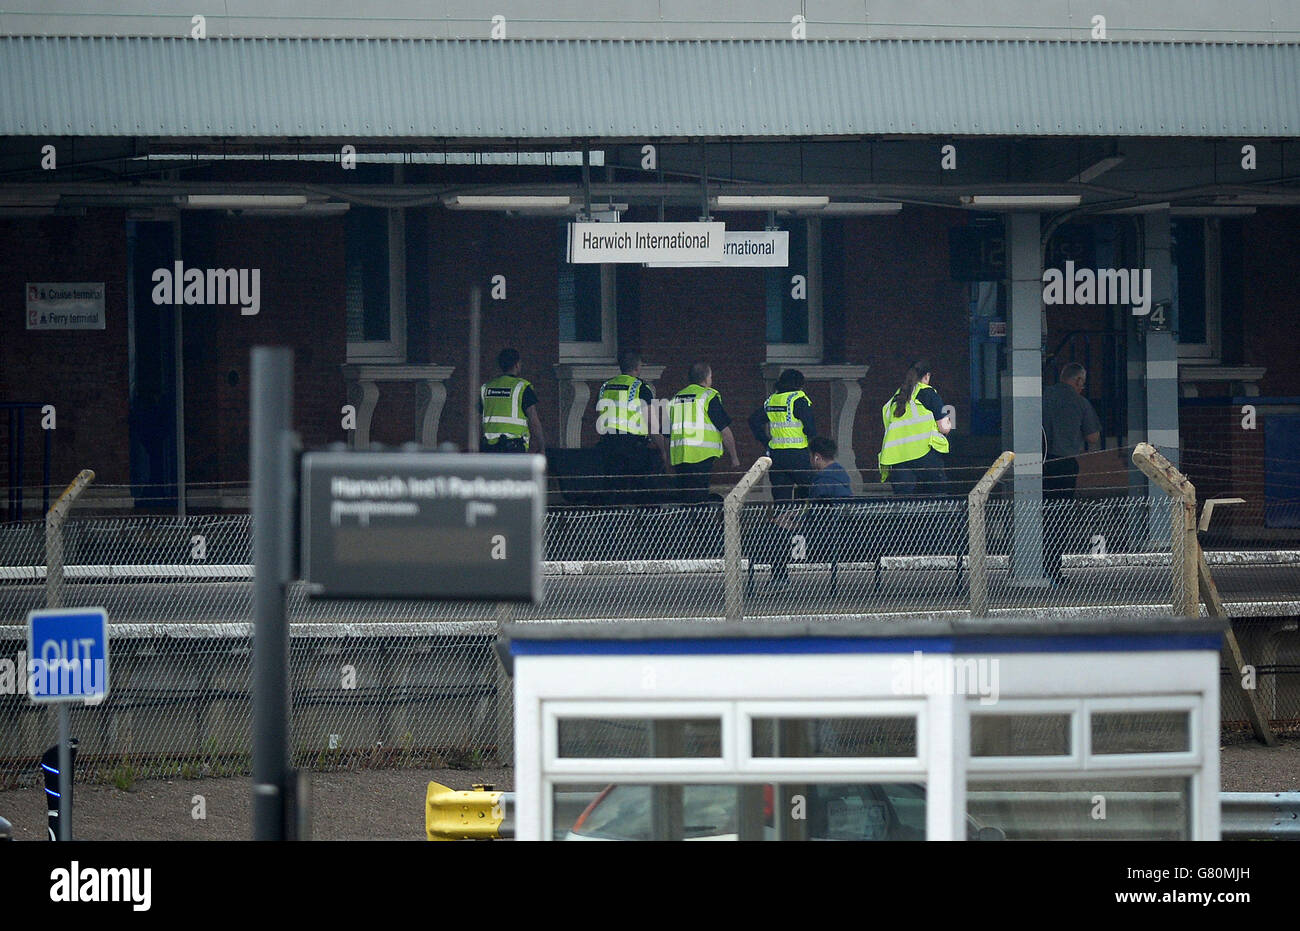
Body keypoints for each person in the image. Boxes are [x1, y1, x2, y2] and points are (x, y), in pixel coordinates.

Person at [1041, 362, 1102, 584]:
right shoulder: (1080, 402)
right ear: (1077, 380)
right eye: (1082, 384)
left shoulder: (1043, 395)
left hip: (1040, 463)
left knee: (1038, 516)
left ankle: (1034, 564)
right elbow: (1093, 437)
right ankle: (1053, 568)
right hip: (1065, 464)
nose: (1082, 387)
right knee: (1058, 518)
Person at [595, 350, 670, 498]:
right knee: (645, 492)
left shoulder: (606, 386)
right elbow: (651, 424)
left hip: (608, 445)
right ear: (638, 367)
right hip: (633, 448)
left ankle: (613, 519)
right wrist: (663, 450)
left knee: (613, 492)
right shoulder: (640, 388)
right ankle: (646, 520)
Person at [668, 362, 740, 502]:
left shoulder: (676, 398)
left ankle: (687, 523)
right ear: (707, 378)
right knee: (699, 498)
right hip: (701, 456)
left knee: (685, 498)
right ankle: (698, 524)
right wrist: (734, 457)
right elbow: (724, 430)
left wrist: (667, 459)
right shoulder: (708, 396)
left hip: (680, 457)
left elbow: (667, 434)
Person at [878, 359, 952, 494]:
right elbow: (944, 428)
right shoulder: (928, 393)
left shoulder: (895, 399)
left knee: (905, 506)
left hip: (897, 459)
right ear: (927, 376)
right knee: (939, 499)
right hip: (923, 455)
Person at [749, 368, 816, 503]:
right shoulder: (798, 399)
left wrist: (765, 441)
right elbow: (810, 428)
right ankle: (806, 520)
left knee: (781, 498)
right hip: (797, 454)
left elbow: (754, 420)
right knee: (811, 490)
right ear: (799, 384)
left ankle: (782, 522)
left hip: (776, 456)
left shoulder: (772, 400)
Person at [480, 348, 546, 454]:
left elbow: (478, 419)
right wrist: (541, 447)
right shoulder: (522, 387)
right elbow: (534, 420)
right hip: (514, 448)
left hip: (489, 448)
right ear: (517, 364)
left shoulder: (486, 387)